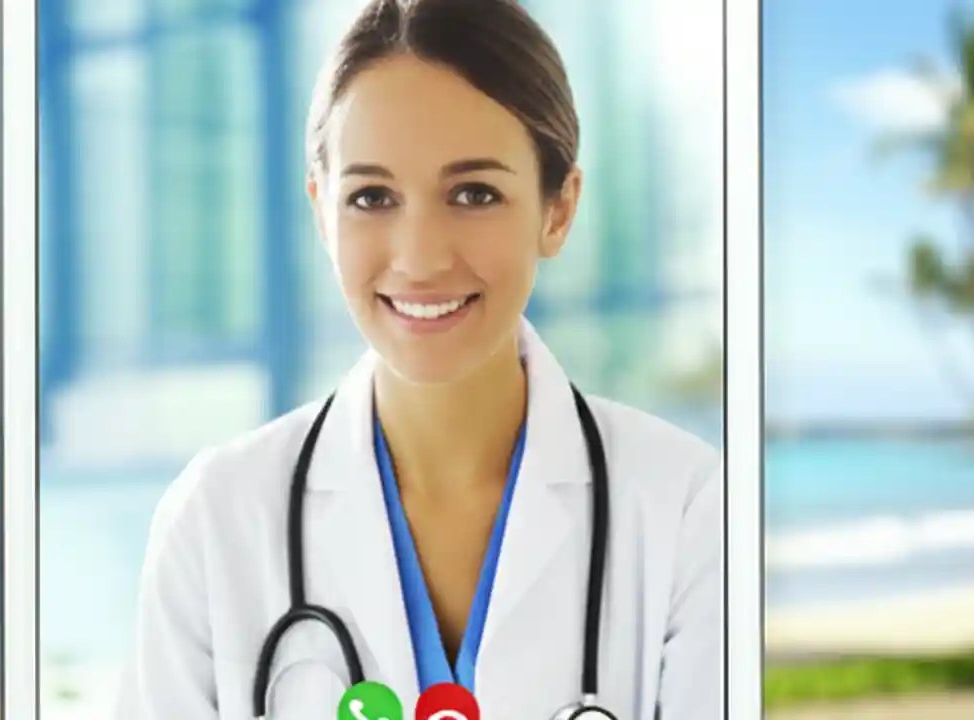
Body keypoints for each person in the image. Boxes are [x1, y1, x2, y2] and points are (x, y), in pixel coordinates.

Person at [114, 0, 722, 717]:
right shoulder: (215, 518)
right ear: (320, 213)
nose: (421, 257)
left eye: (474, 193)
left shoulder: (688, 509)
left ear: (558, 210)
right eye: (371, 197)